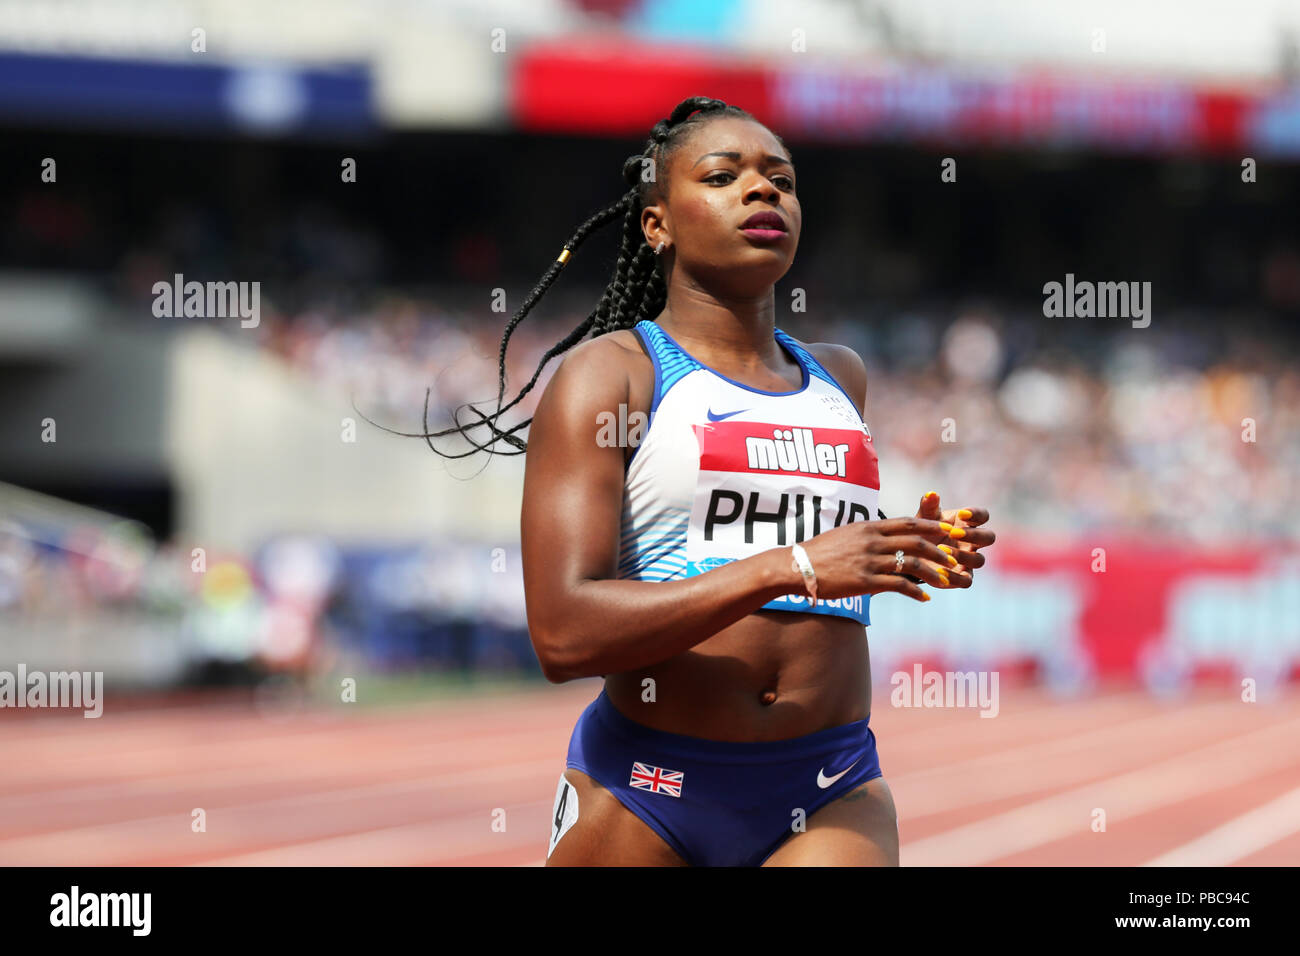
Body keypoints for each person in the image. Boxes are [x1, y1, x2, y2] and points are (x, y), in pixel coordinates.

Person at [417, 95, 995, 866]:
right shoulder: (612, 377)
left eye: (781, 180)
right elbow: (562, 634)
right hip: (648, 787)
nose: (764, 193)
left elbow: (816, 552)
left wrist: (904, 551)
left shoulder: (840, 378)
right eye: (724, 176)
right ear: (656, 224)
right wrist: (793, 568)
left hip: (830, 784)